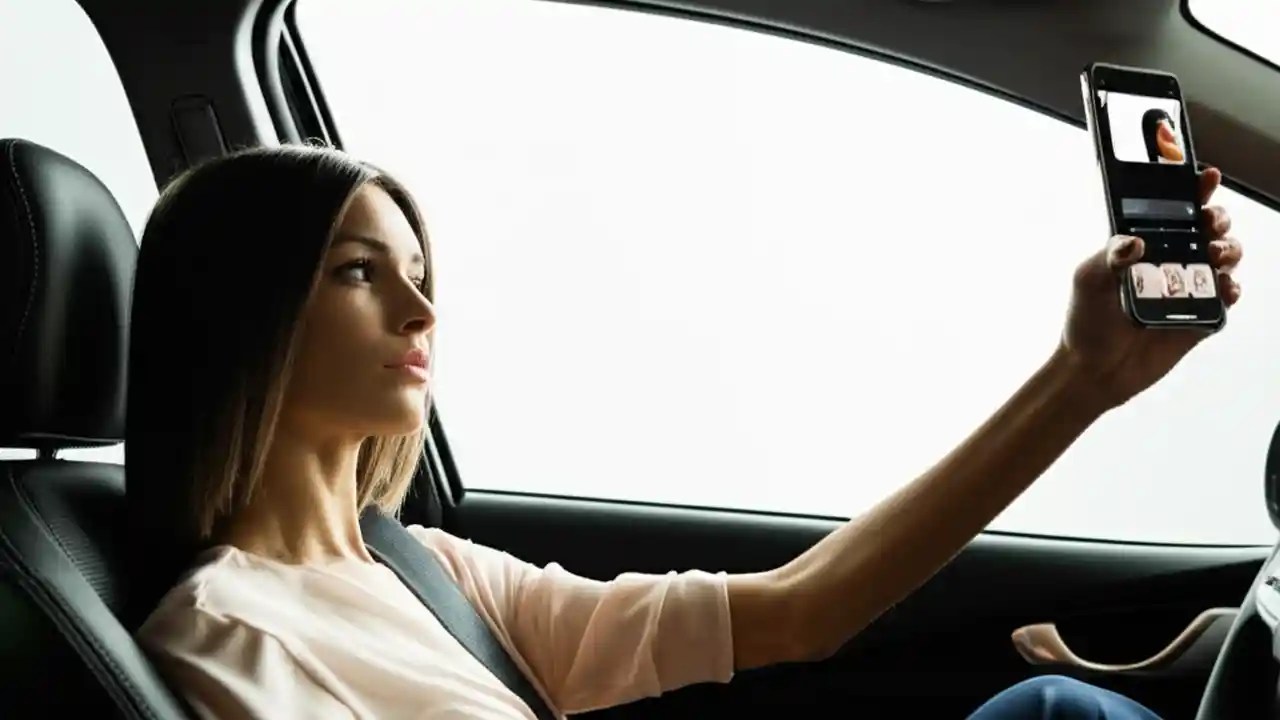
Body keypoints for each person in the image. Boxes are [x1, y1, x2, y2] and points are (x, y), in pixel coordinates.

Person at [126, 145, 1243, 719]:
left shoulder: (427, 572)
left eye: (418, 277)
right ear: (244, 309)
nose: (419, 313)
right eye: (359, 275)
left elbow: (801, 612)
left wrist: (1081, 380)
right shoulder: (229, 631)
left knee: (1054, 708)